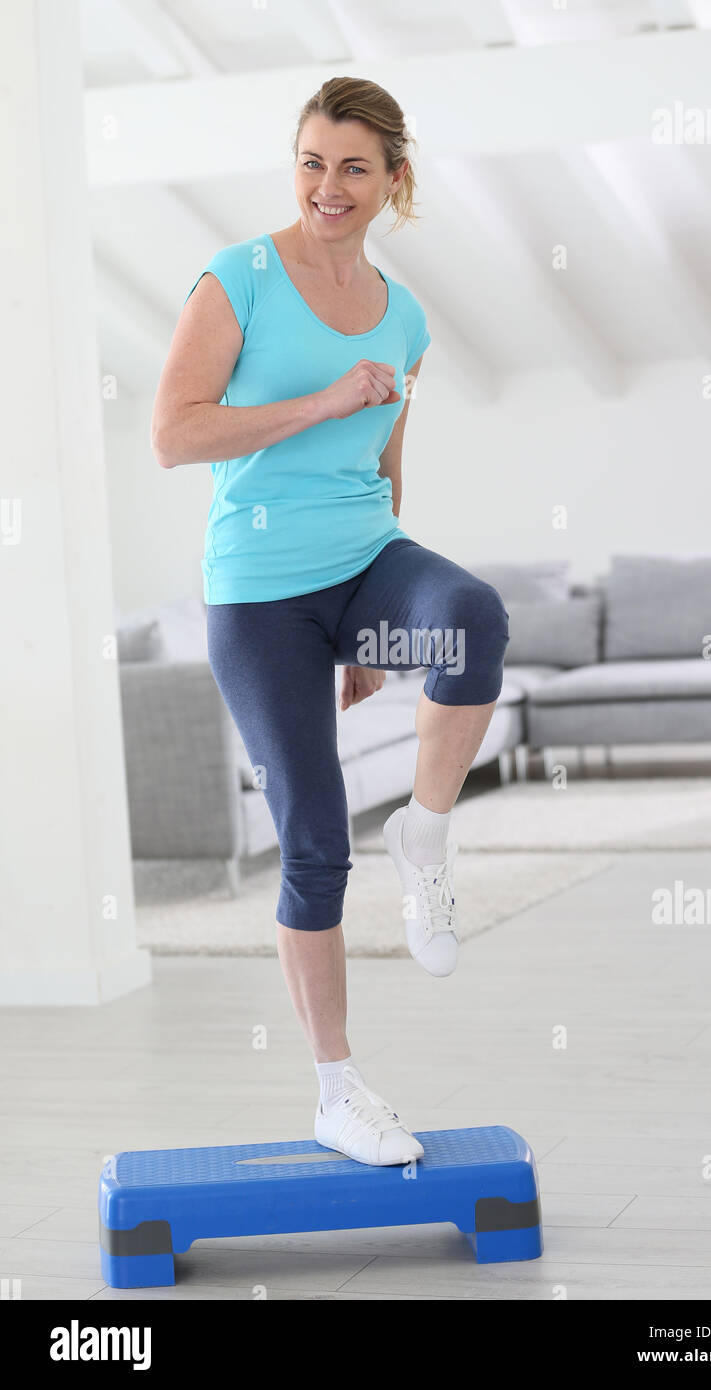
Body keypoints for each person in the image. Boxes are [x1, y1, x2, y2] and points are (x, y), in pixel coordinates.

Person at [151, 77, 508, 1167]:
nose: (327, 187)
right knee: (312, 838)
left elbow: (386, 463)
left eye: (353, 167)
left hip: (364, 563)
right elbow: (174, 434)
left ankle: (427, 832)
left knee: (470, 619)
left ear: (394, 179)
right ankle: (336, 1089)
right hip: (258, 594)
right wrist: (319, 400)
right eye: (311, 162)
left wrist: (367, 631)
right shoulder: (239, 280)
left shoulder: (405, 318)